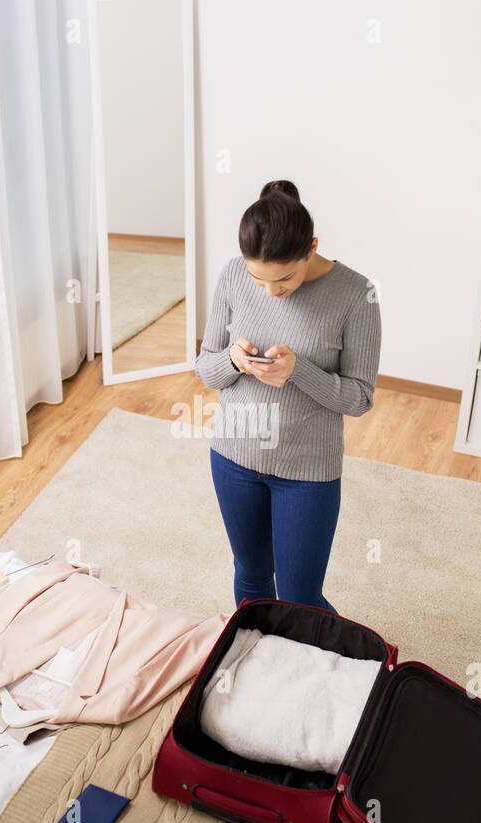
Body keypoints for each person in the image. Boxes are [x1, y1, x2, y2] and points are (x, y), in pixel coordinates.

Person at [194, 179, 381, 612]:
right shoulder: (232, 274)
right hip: (233, 459)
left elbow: (359, 398)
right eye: (259, 279)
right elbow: (206, 367)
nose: (271, 292)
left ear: (312, 247)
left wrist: (299, 371)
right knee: (252, 577)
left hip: (306, 472)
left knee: (300, 600)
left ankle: (360, 666)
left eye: (284, 278)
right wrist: (233, 362)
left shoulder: (357, 295)